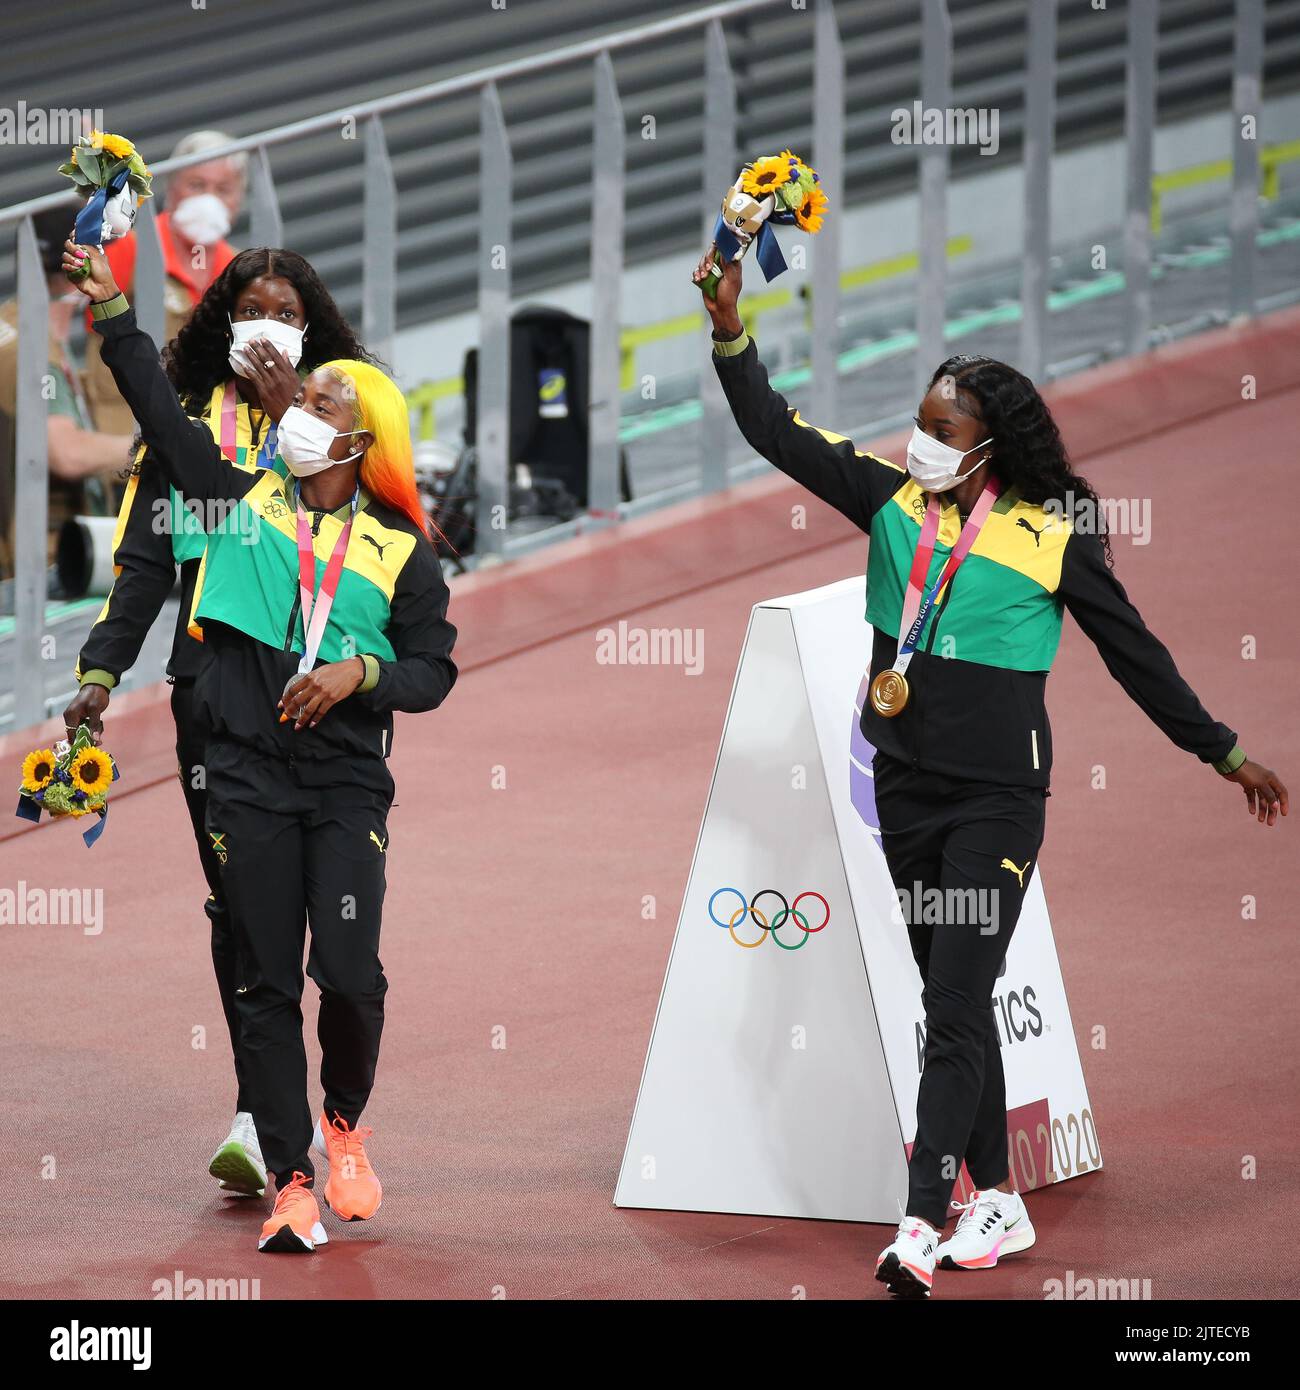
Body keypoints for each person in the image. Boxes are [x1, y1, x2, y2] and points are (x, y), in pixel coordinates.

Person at [693, 248, 1288, 1299]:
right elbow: (773, 431)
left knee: (956, 1004)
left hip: (996, 804)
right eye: (920, 420)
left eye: (943, 428)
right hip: (904, 792)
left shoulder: (1054, 535)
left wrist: (1220, 748)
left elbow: (1132, 650)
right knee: (947, 995)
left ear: (990, 447)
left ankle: (924, 1218)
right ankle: (1000, 1202)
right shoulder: (885, 502)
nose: (920, 439)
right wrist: (730, 327)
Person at [66, 235, 458, 1253]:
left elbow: (433, 668)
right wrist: (111, 305)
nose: (275, 342)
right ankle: (283, 1160)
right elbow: (153, 444)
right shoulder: (231, 495)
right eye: (253, 312)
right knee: (258, 956)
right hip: (233, 740)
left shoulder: (392, 545)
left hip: (340, 772)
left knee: (351, 973)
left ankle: (337, 1123)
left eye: (327, 402)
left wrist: (359, 674)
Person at [0, 208, 135, 581]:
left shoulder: (18, 330)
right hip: (34, 572)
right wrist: (156, 448)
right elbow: (67, 453)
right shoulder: (33, 349)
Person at [82, 130, 244, 436]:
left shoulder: (238, 269)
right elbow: (92, 323)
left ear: (239, 198)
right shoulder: (134, 248)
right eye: (197, 185)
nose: (209, 199)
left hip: (205, 437)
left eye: (223, 189)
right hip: (126, 432)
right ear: (172, 186)